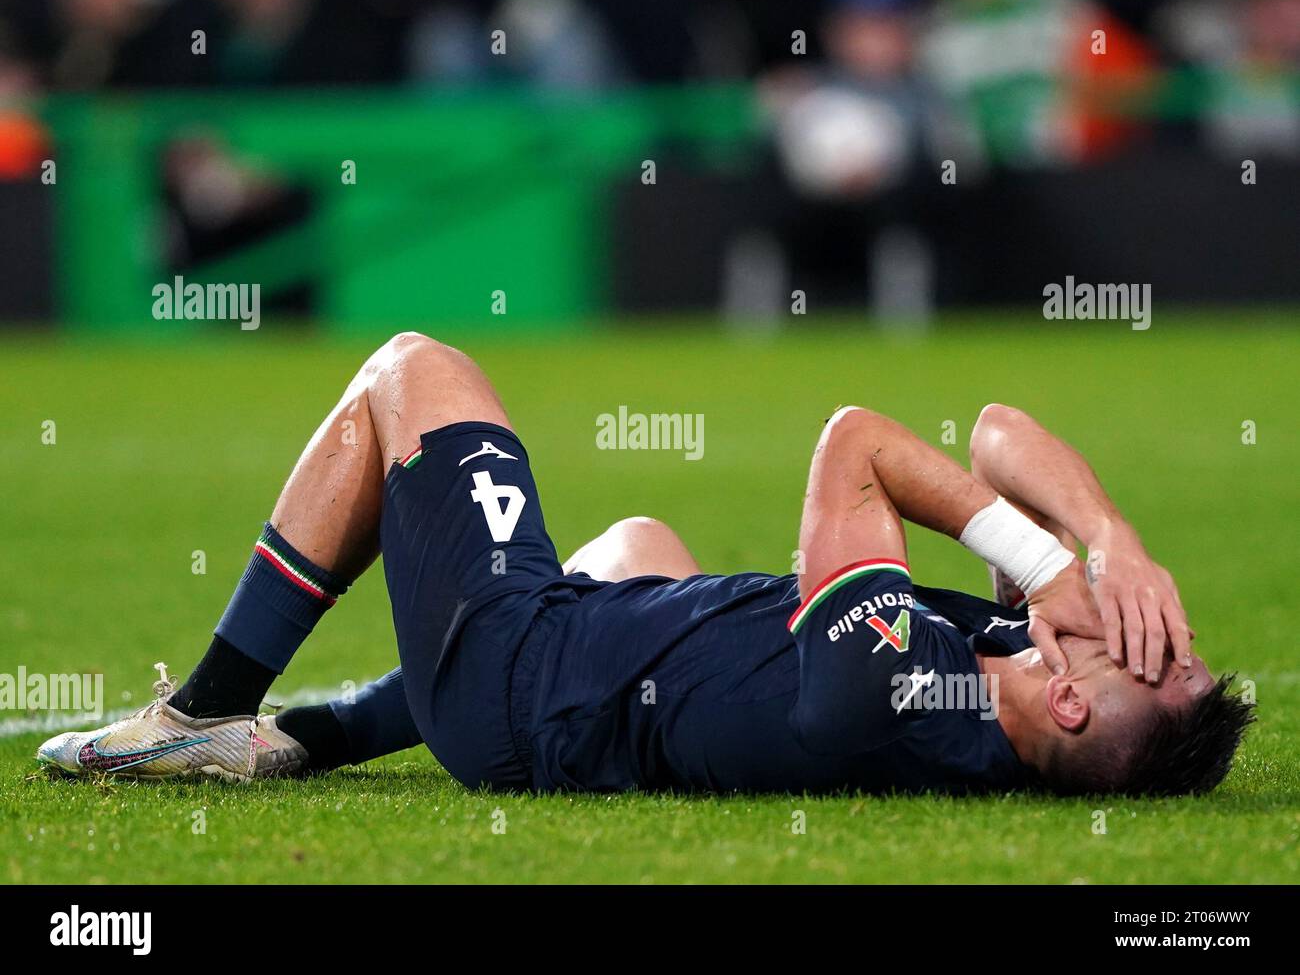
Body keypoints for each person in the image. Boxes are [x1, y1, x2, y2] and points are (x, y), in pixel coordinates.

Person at [37, 333, 1251, 794]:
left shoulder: (876, 688)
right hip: (592, 691)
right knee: (637, 549)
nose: (1154, 630)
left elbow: (858, 444)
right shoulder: (1008, 683)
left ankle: (205, 710)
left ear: (1079, 693)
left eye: (1155, 658)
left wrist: (1046, 567)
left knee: (411, 372)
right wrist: (1110, 540)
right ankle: (321, 734)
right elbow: (995, 429)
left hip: (515, 678)